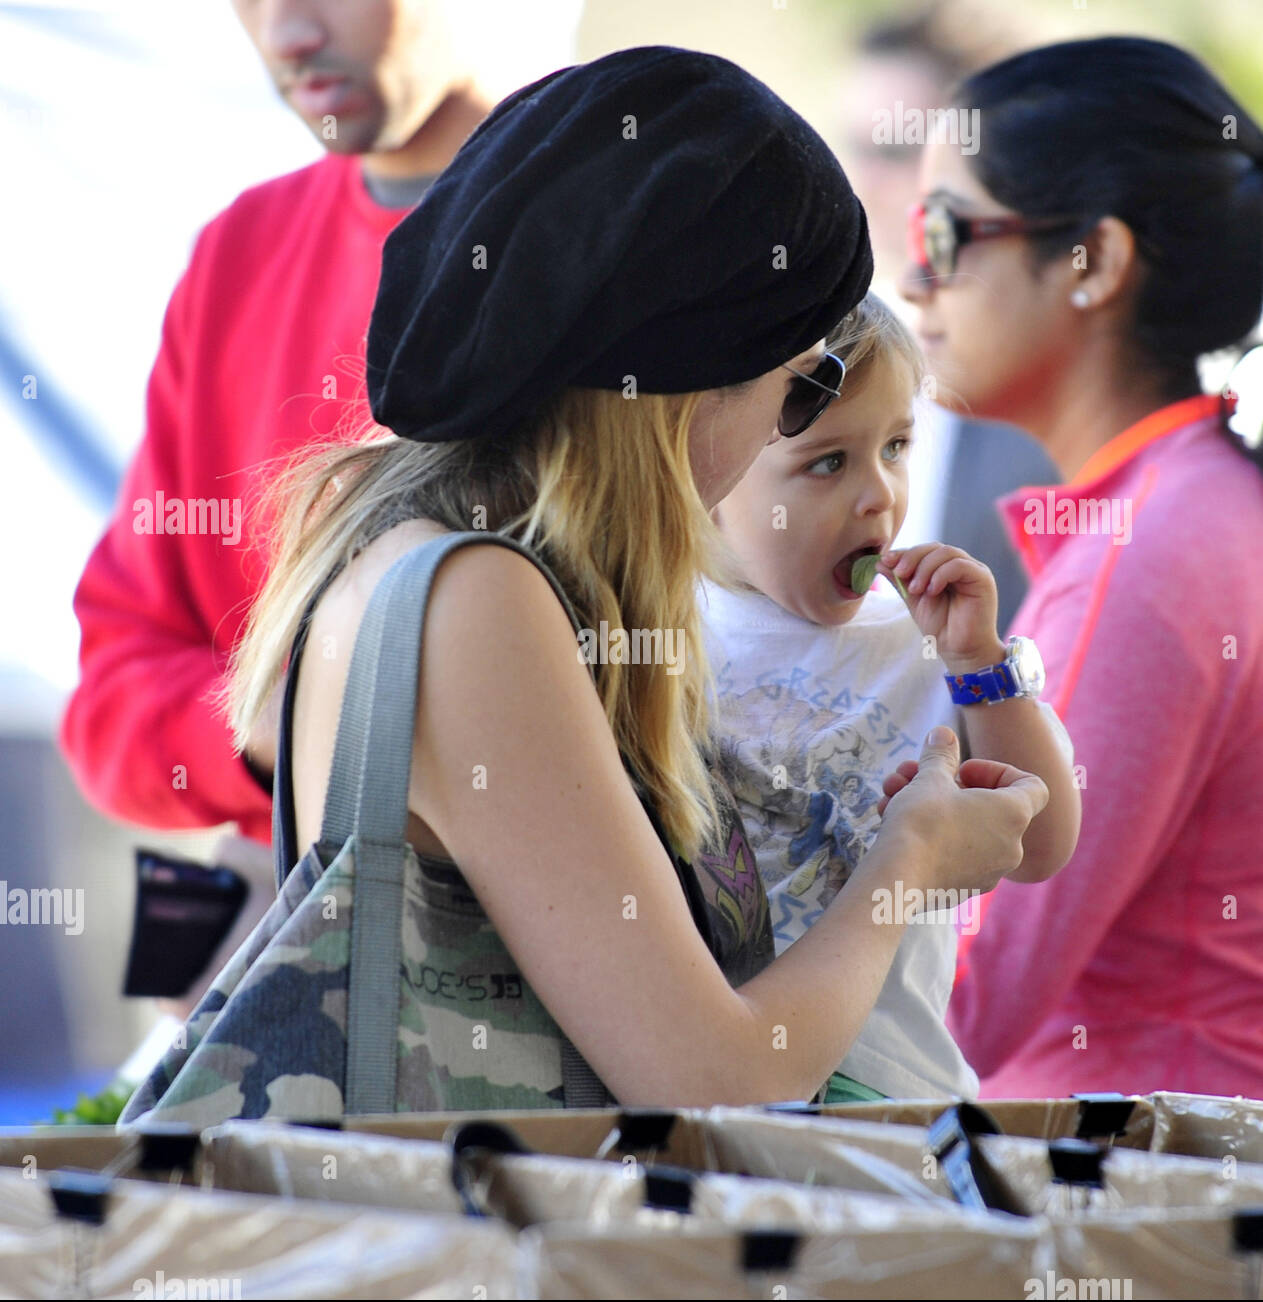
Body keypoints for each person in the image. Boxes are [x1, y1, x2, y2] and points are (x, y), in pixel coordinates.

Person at [218, 46, 1050, 1108]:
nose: (776, 440)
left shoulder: (430, 543)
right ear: (687, 385)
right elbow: (717, 1078)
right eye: (802, 392)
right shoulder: (477, 598)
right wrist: (910, 860)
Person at [898, 36, 1263, 1097]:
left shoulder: (1147, 552)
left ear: (1093, 262)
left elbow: (959, 1003)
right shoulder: (1195, 503)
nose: (914, 275)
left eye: (946, 230)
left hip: (1145, 1209)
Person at [59, 0, 500, 846]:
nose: (286, 32)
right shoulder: (239, 253)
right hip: (320, 901)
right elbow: (113, 701)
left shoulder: (623, 224)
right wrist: (282, 721)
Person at [702, 292, 1078, 1102]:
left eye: (897, 446)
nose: (880, 495)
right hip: (713, 1068)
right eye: (827, 463)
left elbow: (1043, 840)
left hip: (891, 1086)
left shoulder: (928, 643)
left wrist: (977, 661)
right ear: (712, 471)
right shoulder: (659, 636)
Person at [835, 2, 1058, 632]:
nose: (866, 179)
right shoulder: (797, 365)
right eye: (854, 146)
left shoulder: (1049, 402)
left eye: (901, 148)